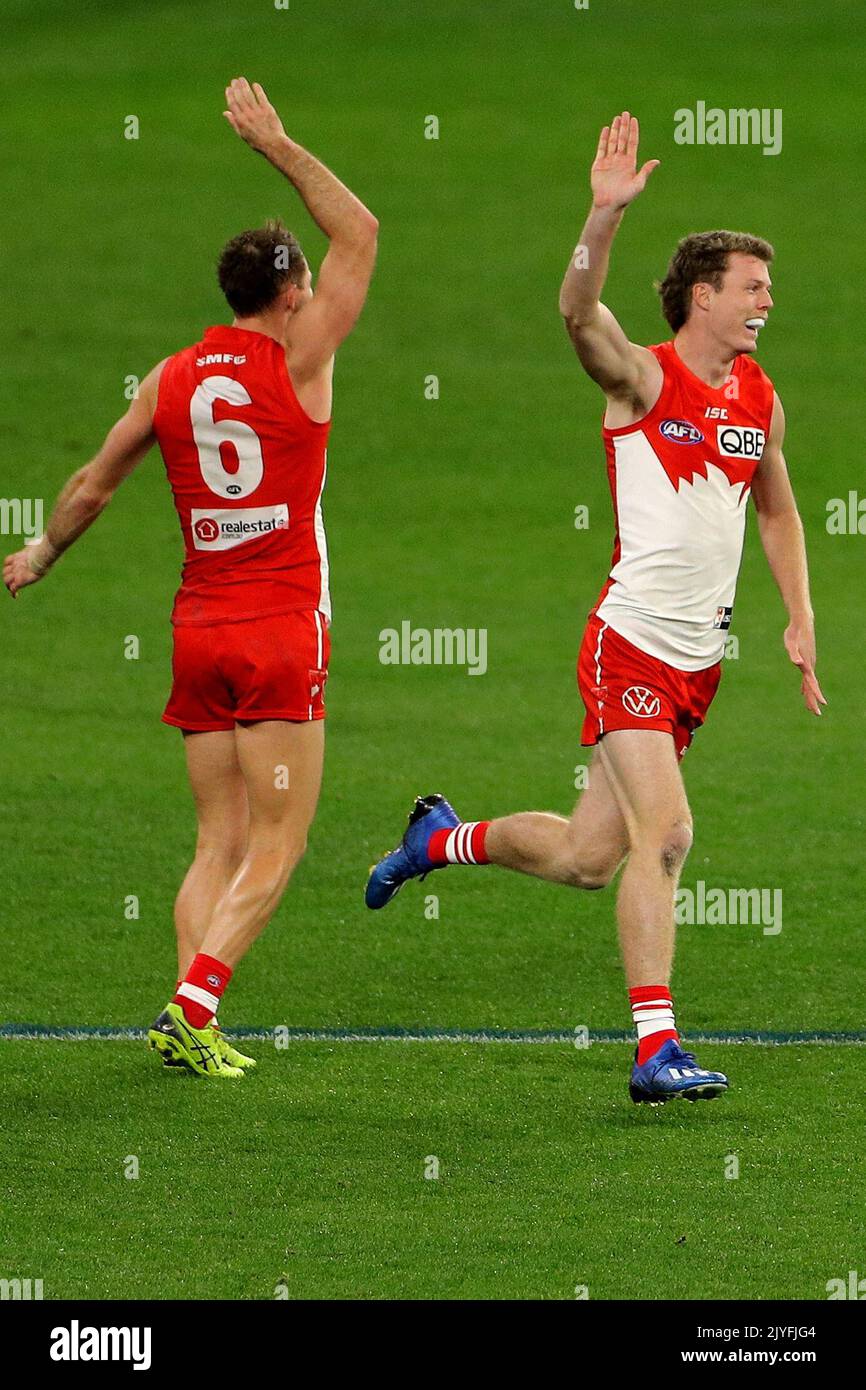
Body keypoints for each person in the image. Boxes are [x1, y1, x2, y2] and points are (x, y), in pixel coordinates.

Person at [364, 112, 824, 1106]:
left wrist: (797, 618)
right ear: (702, 295)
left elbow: (777, 508)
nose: (765, 302)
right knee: (665, 836)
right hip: (627, 645)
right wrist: (601, 216)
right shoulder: (641, 376)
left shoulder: (758, 399)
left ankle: (437, 839)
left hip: (695, 662)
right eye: (751, 287)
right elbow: (576, 311)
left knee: (587, 856)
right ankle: (653, 1049)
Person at [4, 78, 378, 1079]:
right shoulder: (303, 357)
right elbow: (363, 230)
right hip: (278, 629)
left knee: (217, 837)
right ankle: (195, 998)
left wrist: (39, 555)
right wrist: (278, 145)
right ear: (292, 292)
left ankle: (191, 1029)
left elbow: (91, 485)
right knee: (282, 840)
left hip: (198, 628)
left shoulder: (170, 377)